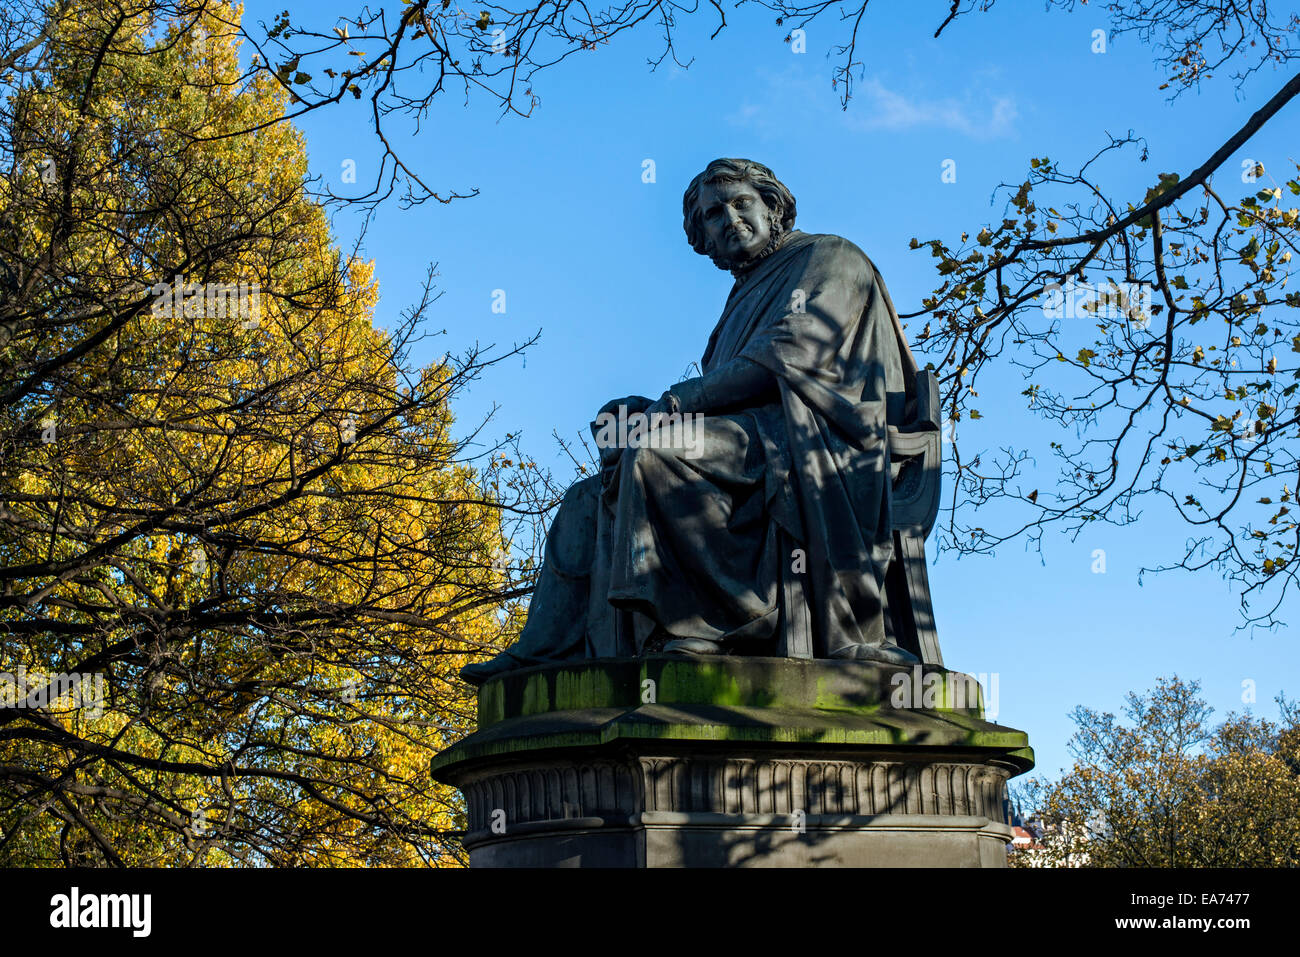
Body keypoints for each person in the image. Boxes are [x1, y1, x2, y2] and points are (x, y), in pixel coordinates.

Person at [460, 158, 921, 685]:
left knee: (659, 454)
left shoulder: (830, 257)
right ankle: (548, 650)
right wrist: (642, 408)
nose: (728, 219)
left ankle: (709, 627)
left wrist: (676, 404)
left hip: (814, 440)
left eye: (740, 203)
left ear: (772, 206)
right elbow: (725, 391)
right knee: (584, 500)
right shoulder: (741, 297)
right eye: (712, 215)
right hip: (749, 441)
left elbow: (791, 351)